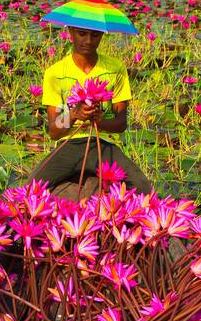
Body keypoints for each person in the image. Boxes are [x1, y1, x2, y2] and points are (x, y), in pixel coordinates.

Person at [30, 26, 155, 195]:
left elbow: (121, 123)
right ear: (71, 33)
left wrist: (99, 120)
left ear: (102, 35)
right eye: (82, 34)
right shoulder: (55, 73)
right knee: (32, 188)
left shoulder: (115, 69)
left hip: (103, 143)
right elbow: (54, 131)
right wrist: (74, 114)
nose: (88, 40)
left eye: (95, 35)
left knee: (143, 188)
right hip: (70, 143)